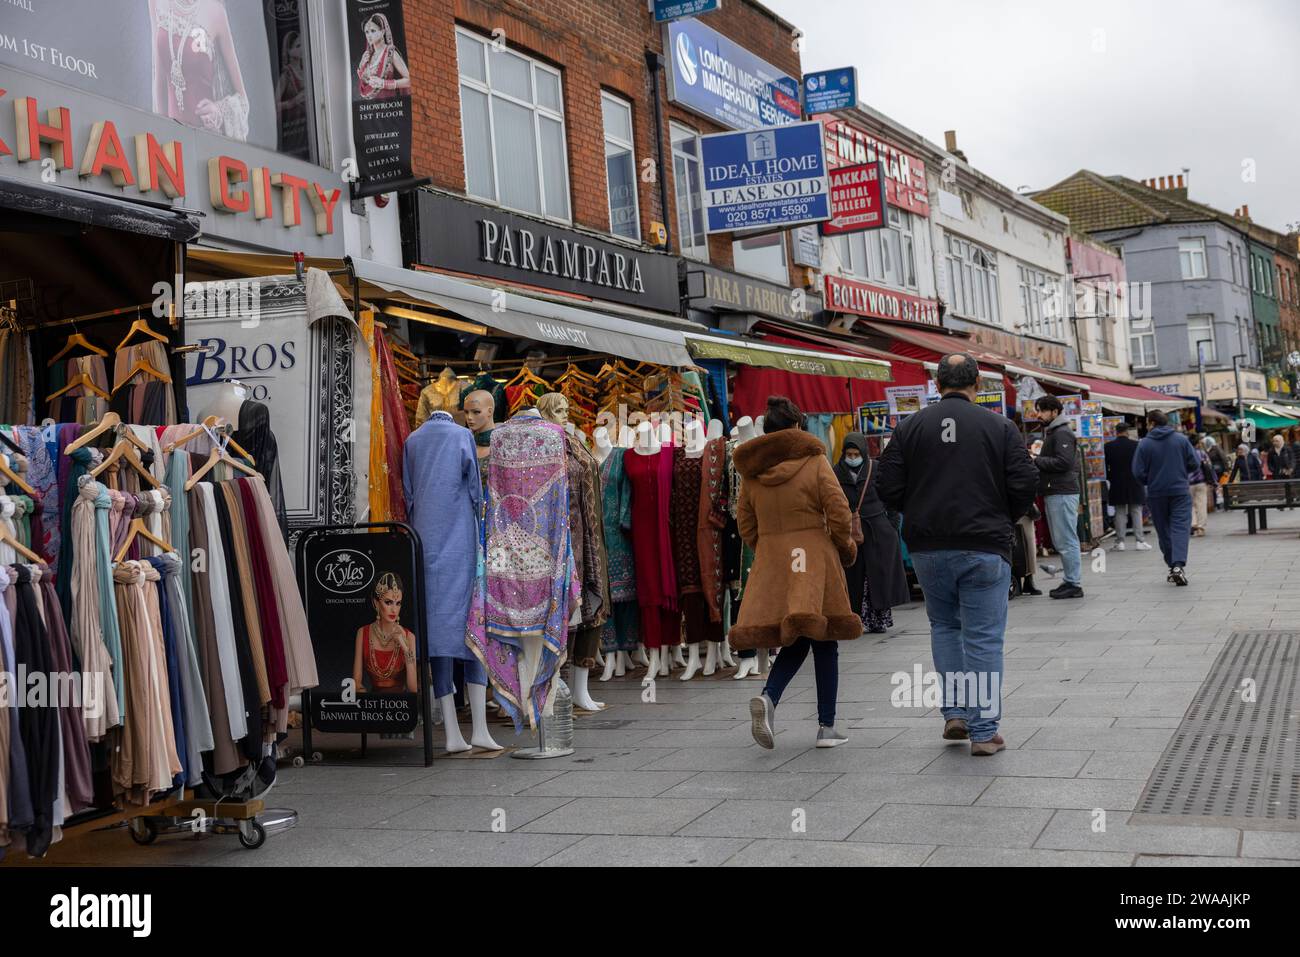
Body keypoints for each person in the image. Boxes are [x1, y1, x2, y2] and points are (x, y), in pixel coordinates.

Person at [876, 354, 1038, 756]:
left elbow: (886, 483)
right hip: (984, 544)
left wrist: (915, 509)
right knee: (983, 637)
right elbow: (1025, 482)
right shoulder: (999, 427)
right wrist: (1003, 516)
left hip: (929, 547)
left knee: (945, 628)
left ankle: (955, 714)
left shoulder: (910, 427)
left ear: (937, 383)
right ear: (977, 383)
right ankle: (984, 733)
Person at [735, 397, 860, 751]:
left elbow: (745, 523)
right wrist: (844, 545)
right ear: (797, 426)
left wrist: (769, 550)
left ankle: (770, 698)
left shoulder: (752, 472)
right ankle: (826, 727)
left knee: (799, 635)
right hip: (813, 557)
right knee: (824, 638)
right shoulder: (814, 461)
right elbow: (838, 509)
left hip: (776, 559)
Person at [834, 433, 910, 632]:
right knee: (854, 578)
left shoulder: (875, 468)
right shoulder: (835, 472)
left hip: (878, 532)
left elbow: (891, 497)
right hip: (851, 534)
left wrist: (891, 526)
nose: (852, 457)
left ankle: (878, 621)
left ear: (863, 451)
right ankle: (857, 619)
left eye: (855, 453)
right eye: (848, 454)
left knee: (878, 578)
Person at [1131, 410, 1199, 586]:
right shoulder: (1181, 440)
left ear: (1152, 423)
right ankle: (1177, 565)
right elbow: (1194, 463)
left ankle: (1172, 565)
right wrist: (1180, 472)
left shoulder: (1144, 444)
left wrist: (1151, 480)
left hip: (1156, 493)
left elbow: (1137, 472)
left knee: (1164, 531)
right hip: (1180, 492)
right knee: (1180, 529)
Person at [1029, 395, 1083, 599]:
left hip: (1062, 491)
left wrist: (1035, 460)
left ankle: (1074, 583)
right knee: (1062, 539)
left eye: (1042, 410)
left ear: (1054, 411)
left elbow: (1063, 462)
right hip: (1056, 490)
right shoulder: (1055, 432)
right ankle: (1069, 580)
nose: (1039, 414)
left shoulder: (1062, 433)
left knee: (1066, 539)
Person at [352, 572, 418, 694]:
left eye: (398, 603)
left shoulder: (409, 636)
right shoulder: (363, 633)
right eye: (388, 602)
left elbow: (413, 688)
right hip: (374, 706)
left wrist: (405, 647)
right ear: (376, 603)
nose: (394, 609)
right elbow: (356, 682)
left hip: (401, 707)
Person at [1104, 422, 1150, 551]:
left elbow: (1105, 467)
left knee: (1119, 512)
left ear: (1115, 432)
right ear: (1127, 431)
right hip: (1135, 481)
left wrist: (1110, 478)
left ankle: (1120, 542)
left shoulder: (1108, 447)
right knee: (1136, 511)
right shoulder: (1136, 445)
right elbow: (1142, 464)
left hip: (1117, 482)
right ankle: (1139, 541)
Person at [1186, 432, 1212, 537]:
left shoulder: (1185, 454)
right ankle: (1201, 527)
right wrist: (1213, 482)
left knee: (1190, 505)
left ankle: (1194, 524)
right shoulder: (1202, 453)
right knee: (1201, 505)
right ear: (1197, 443)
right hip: (1201, 482)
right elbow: (1209, 467)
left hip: (1188, 483)